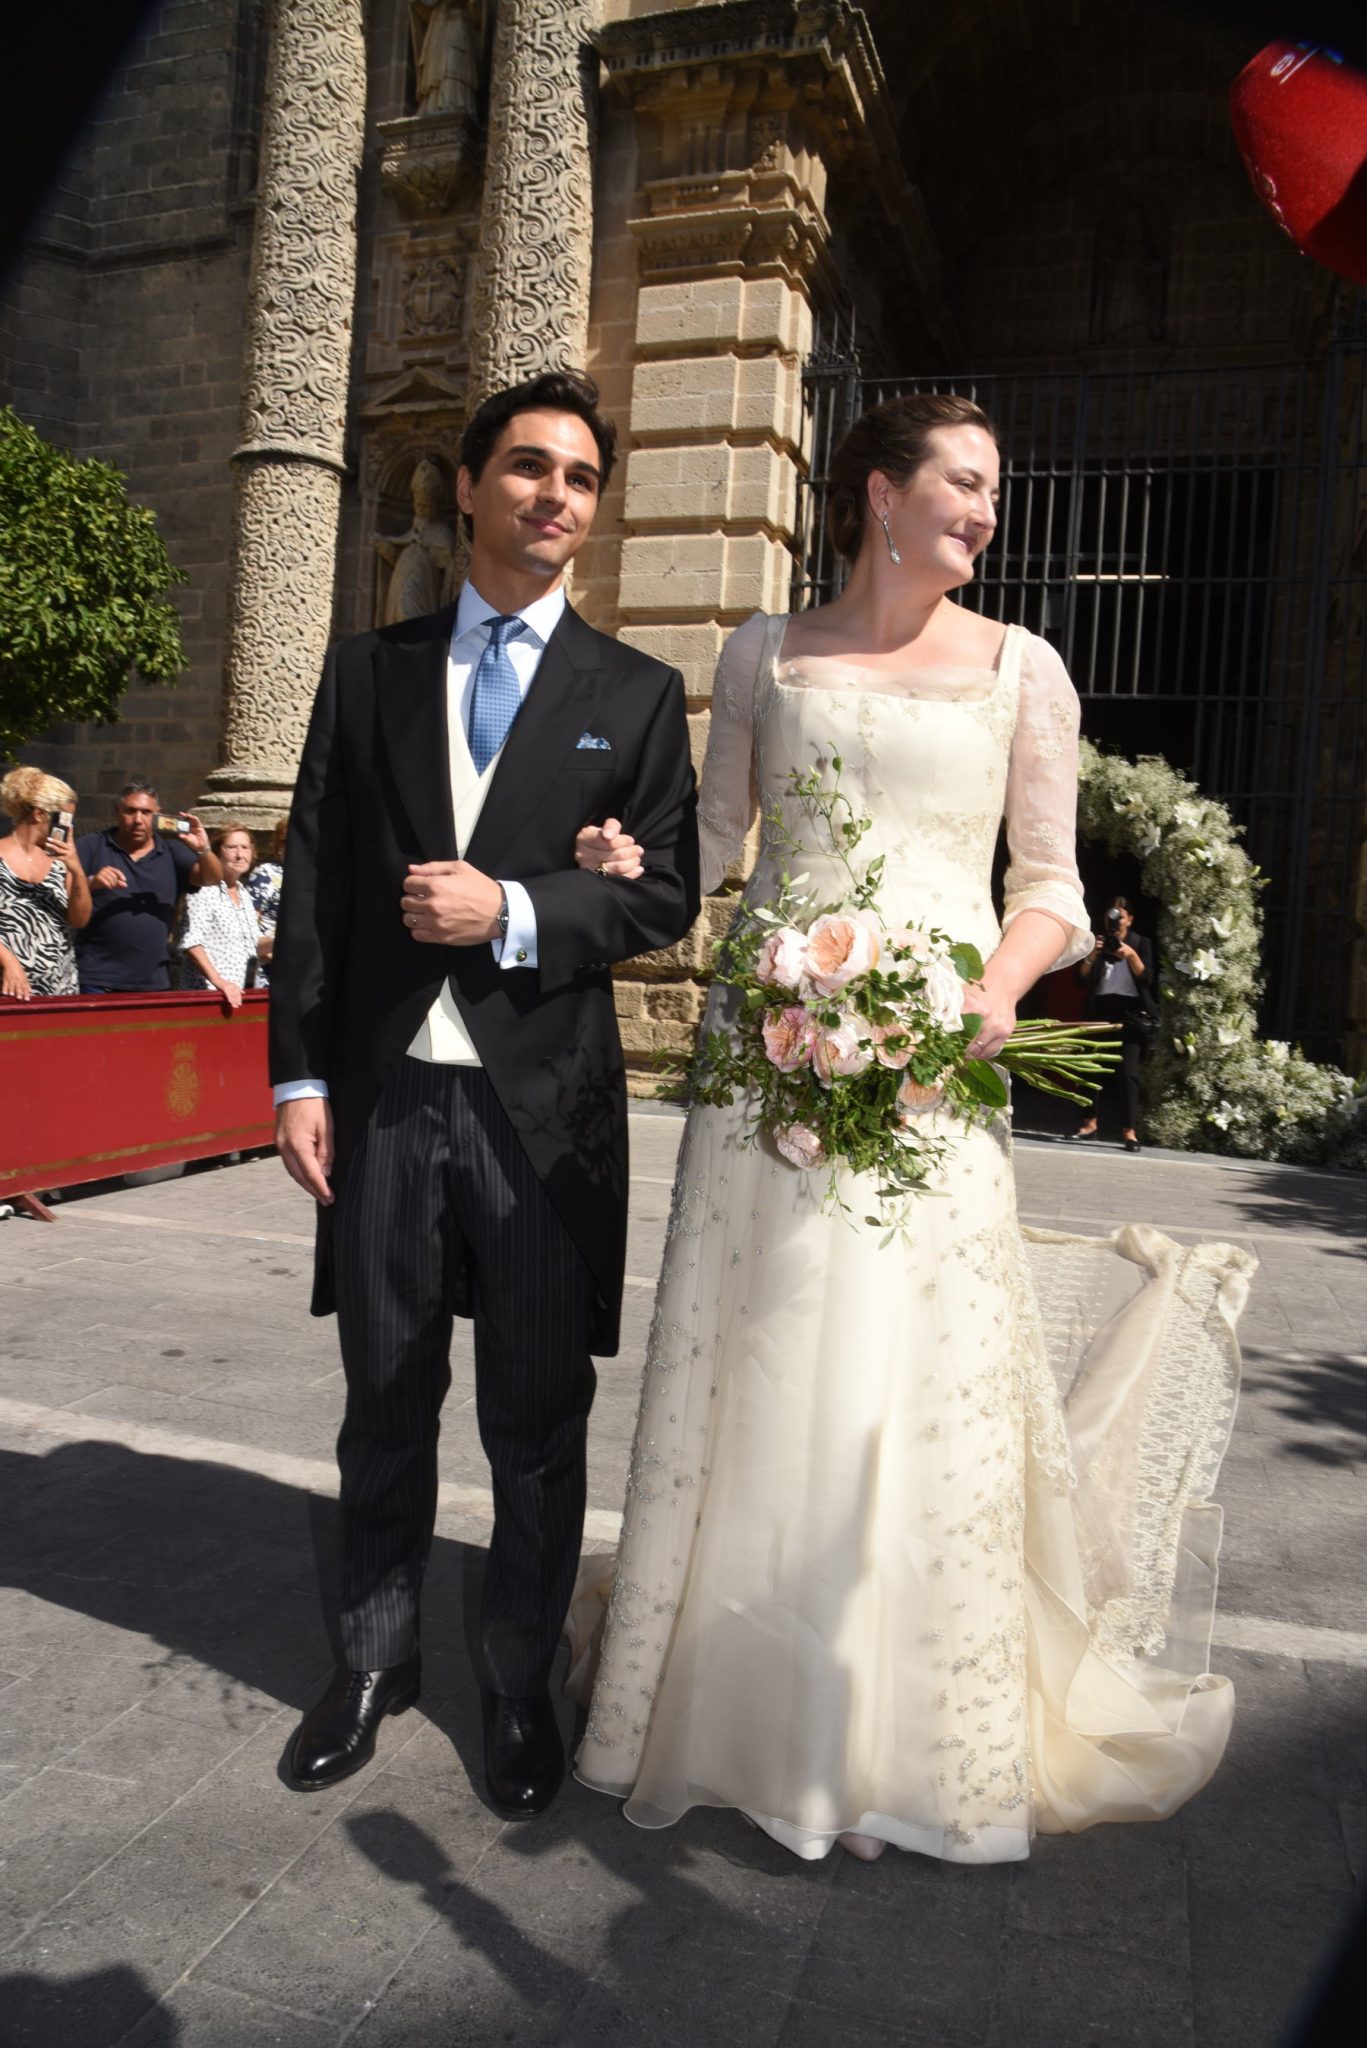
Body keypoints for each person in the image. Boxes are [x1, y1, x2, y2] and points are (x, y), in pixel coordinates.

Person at [568, 393, 1253, 1866]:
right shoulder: (760, 651)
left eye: (993, 491)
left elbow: (1048, 882)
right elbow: (715, 844)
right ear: (880, 493)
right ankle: (736, 1700)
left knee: (903, 1362)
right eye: (964, 483)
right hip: (768, 1056)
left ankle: (887, 1720)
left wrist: (991, 994)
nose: (986, 513)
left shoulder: (1023, 667)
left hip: (938, 1064)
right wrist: (625, 858)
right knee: (762, 1344)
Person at [269, 370, 700, 1816]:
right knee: (385, 1394)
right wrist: (300, 1074)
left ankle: (518, 1680)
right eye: (526, 467)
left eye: (578, 477)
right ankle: (372, 1659)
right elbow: (317, 885)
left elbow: (665, 896)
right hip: (386, 1099)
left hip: (542, 1115)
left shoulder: (633, 695)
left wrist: (513, 909)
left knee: (535, 1412)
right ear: (464, 487)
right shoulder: (365, 670)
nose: (553, 496)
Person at [74, 782, 221, 993]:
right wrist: (91, 883)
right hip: (97, 978)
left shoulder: (171, 851)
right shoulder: (92, 845)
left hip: (152, 981)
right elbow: (64, 892)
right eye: (130, 811)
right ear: (117, 812)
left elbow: (211, 878)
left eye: (146, 812)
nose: (138, 820)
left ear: (157, 814)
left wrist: (203, 849)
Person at [1071, 895, 1156, 1151]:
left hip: (1129, 1014)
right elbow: (1081, 980)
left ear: (1130, 920)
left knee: (1128, 1074)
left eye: (1120, 917)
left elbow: (1147, 979)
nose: (1115, 922)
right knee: (1089, 1068)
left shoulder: (1140, 943)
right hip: (1099, 1010)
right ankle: (1089, 1124)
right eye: (1111, 917)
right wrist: (1093, 955)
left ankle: (1129, 1131)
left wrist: (1130, 955)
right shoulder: (1097, 943)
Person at [0, 767, 92, 998]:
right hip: (10, 987)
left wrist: (75, 867)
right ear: (40, 814)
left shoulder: (61, 861)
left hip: (60, 988)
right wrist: (8, 961)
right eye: (65, 818)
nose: (69, 827)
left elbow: (80, 920)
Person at [179, 823, 264, 1008]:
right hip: (205, 997)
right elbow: (191, 943)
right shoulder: (204, 889)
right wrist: (219, 982)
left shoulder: (244, 894)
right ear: (217, 853)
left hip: (234, 996)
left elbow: (252, 944)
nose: (240, 854)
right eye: (231, 847)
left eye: (245, 847)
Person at [243, 815, 287, 988]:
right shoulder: (267, 874)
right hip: (270, 970)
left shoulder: (315, 878)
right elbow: (246, 929)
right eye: (285, 841)